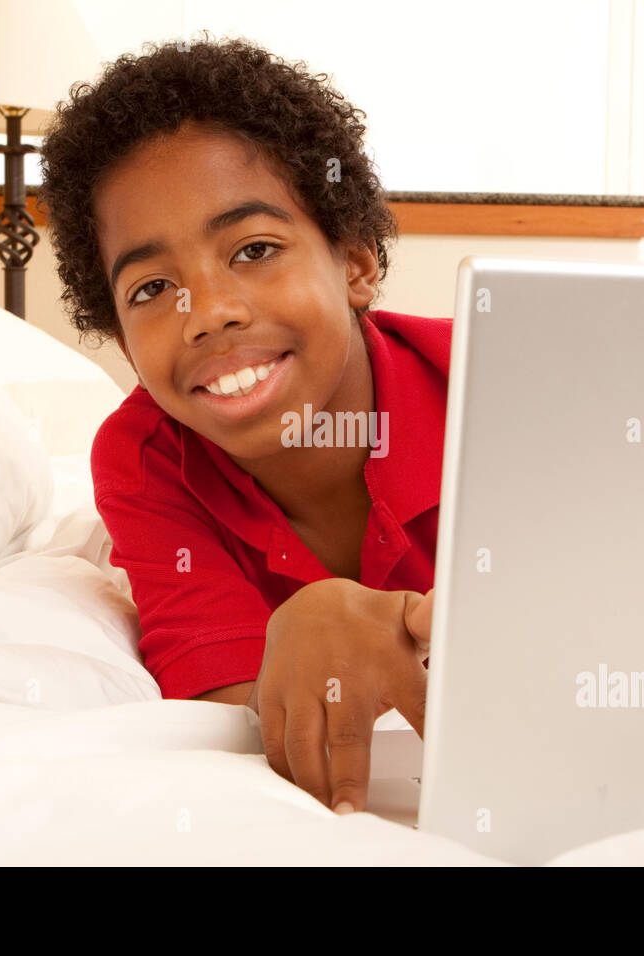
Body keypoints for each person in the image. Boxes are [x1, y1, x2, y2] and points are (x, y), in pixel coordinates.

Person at [39, 33, 448, 816]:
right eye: (153, 288)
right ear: (122, 340)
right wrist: (309, 627)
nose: (209, 313)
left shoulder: (490, 382)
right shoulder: (144, 459)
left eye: (254, 248)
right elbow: (228, 705)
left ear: (356, 265)